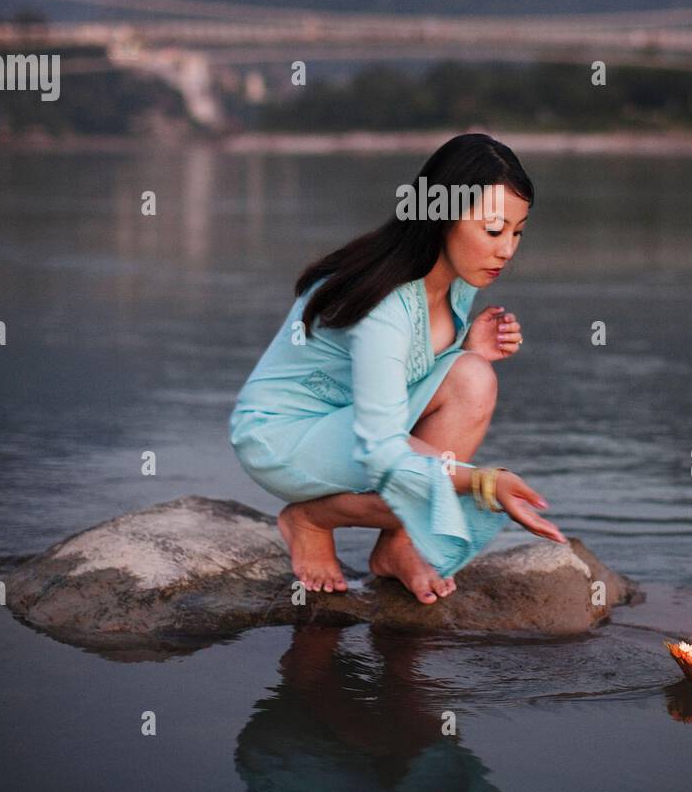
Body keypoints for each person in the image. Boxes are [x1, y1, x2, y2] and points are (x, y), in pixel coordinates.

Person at [229, 132, 567, 605]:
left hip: (347, 421)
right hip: (283, 436)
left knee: (473, 376)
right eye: (493, 231)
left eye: (517, 232)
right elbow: (383, 451)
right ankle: (310, 518)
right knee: (435, 480)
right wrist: (484, 481)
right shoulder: (386, 302)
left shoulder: (457, 284)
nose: (507, 250)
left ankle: (397, 546)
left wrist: (463, 349)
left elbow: (401, 375)